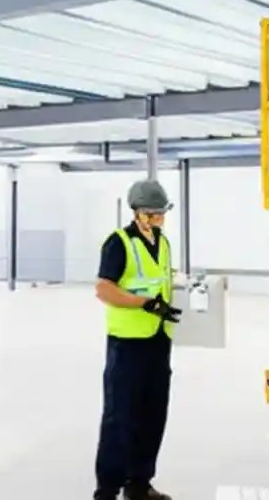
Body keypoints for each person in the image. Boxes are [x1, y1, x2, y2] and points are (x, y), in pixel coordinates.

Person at [93, 179, 181, 500]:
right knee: (120, 417)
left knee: (153, 414)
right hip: (127, 344)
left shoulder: (164, 242)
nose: (158, 219)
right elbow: (104, 289)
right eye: (152, 214)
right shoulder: (118, 243)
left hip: (159, 340)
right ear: (138, 213)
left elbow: (162, 280)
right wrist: (145, 303)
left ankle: (139, 485)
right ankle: (107, 490)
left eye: (161, 213)